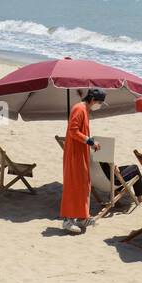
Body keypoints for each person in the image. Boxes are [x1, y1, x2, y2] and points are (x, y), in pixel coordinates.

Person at [60, 89, 106, 234]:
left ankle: (82, 217)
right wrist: (90, 141)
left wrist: (89, 142)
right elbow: (73, 130)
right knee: (74, 184)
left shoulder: (84, 109)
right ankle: (68, 220)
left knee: (84, 184)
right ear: (92, 99)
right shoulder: (79, 109)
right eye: (99, 102)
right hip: (75, 155)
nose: (99, 105)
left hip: (80, 153)